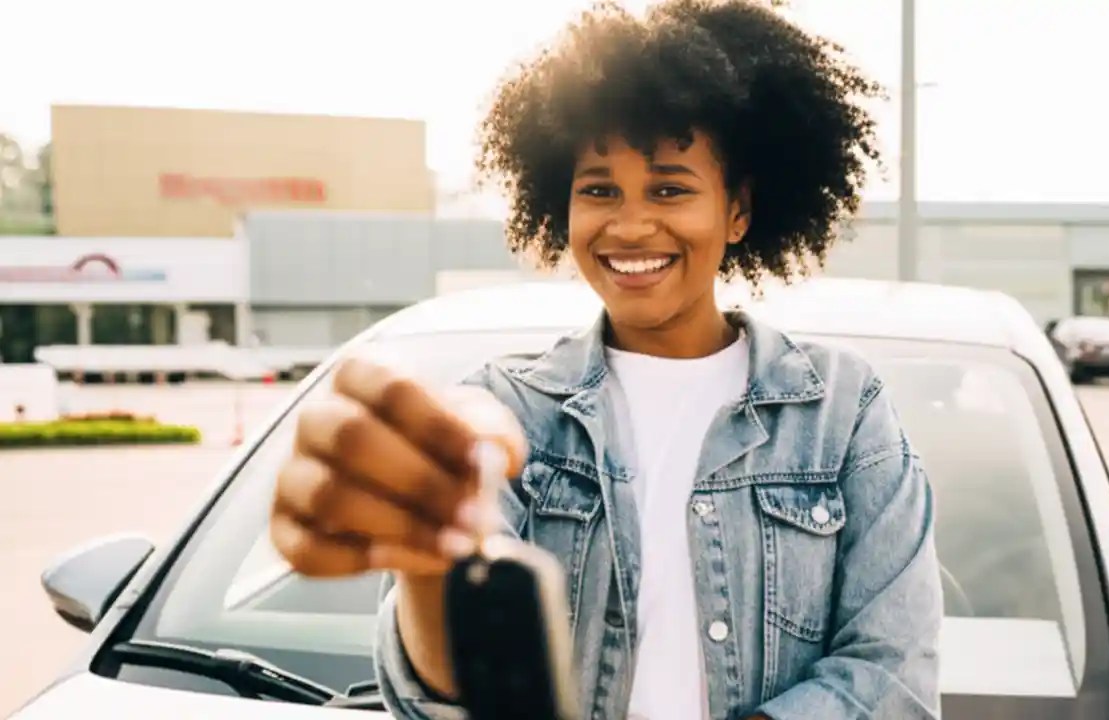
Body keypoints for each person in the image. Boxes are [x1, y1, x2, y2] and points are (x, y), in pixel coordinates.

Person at [270, 1, 942, 718]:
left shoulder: (841, 410)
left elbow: (891, 677)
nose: (628, 224)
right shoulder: (504, 412)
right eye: (599, 190)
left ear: (737, 211)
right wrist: (430, 563)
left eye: (669, 188)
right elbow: (439, 698)